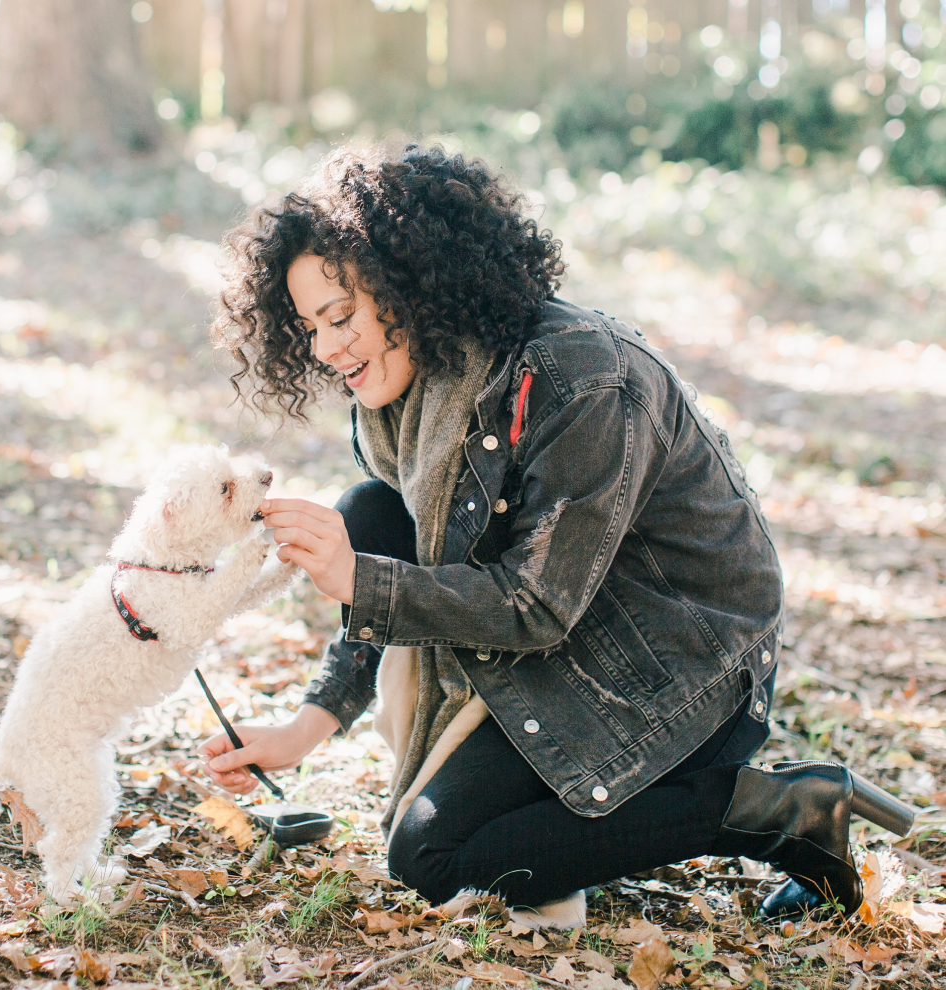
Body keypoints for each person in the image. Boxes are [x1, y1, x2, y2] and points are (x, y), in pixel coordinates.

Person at [199, 145, 895, 921]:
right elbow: (397, 544)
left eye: (341, 317)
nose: (327, 350)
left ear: (412, 284)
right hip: (561, 644)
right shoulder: (408, 389)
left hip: (678, 671)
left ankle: (781, 811)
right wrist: (306, 726)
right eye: (310, 327)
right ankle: (560, 816)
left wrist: (357, 581)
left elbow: (536, 606)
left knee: (434, 859)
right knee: (368, 511)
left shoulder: (579, 378)